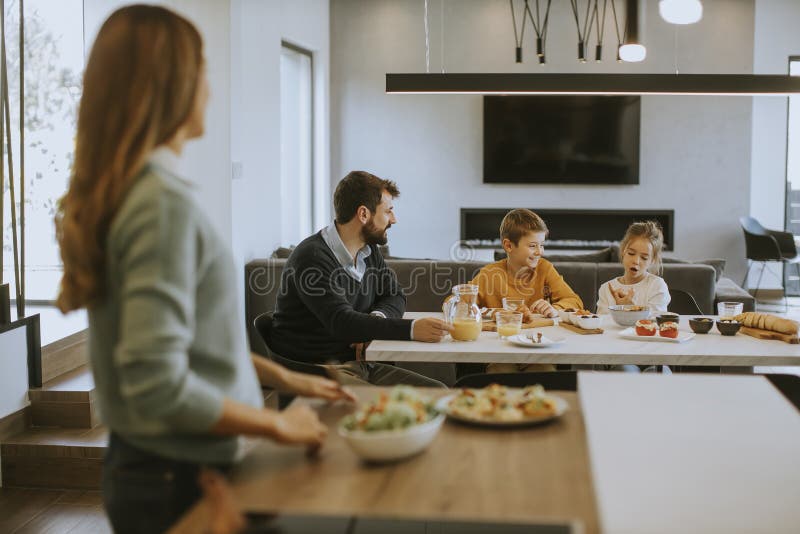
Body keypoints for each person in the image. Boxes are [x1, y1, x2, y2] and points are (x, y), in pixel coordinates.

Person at [55, 6, 352, 533]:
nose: (210, 89)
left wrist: (285, 379)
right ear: (169, 85)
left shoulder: (135, 194)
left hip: (163, 469)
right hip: (181, 478)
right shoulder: (158, 205)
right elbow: (158, 385)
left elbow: (190, 350)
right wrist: (278, 425)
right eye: (203, 70)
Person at [269, 171, 453, 386]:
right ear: (364, 214)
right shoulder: (312, 257)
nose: (394, 219)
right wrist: (412, 329)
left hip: (362, 363)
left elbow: (395, 294)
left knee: (437, 392)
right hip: (319, 371)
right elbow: (342, 322)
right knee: (408, 407)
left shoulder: (369, 250)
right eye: (388, 211)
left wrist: (374, 322)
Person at [463, 209, 583, 373]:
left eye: (541, 245)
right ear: (508, 245)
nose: (540, 252)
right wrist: (495, 313)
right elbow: (456, 304)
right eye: (533, 246)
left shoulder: (545, 269)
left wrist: (555, 308)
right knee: (501, 370)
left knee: (544, 370)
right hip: (500, 350)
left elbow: (574, 301)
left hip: (539, 349)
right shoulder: (489, 274)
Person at [596, 221, 670, 315]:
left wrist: (631, 309)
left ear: (652, 260)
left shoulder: (657, 286)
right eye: (631, 253)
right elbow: (603, 325)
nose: (636, 261)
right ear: (623, 251)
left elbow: (656, 323)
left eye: (644, 258)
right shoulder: (606, 288)